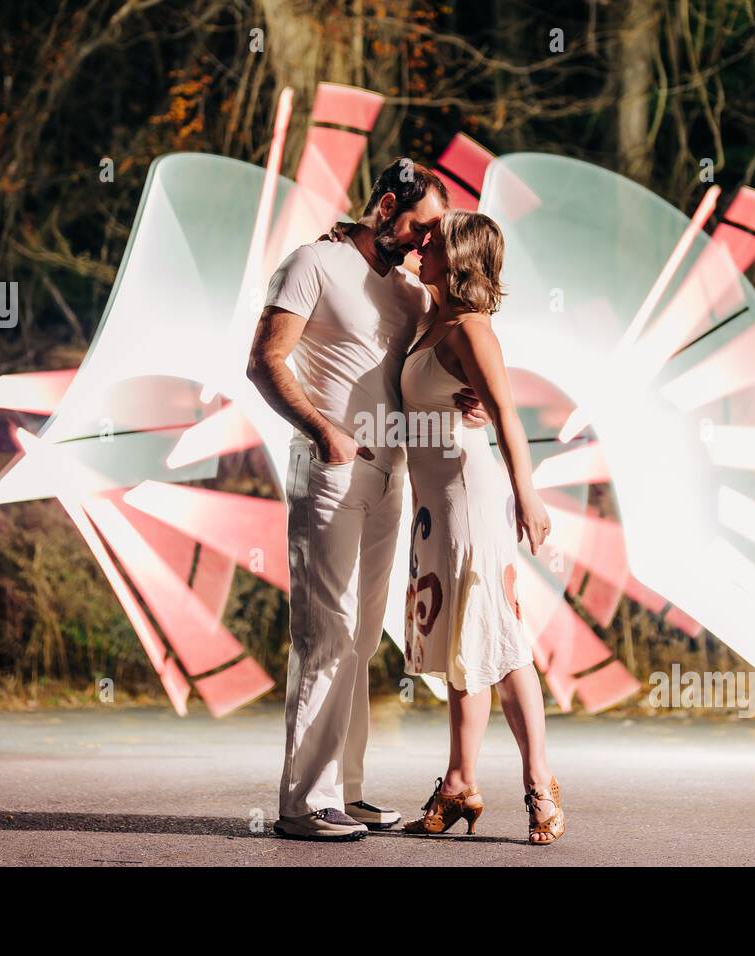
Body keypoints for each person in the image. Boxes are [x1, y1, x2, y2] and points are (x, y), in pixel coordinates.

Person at [246, 158, 488, 841]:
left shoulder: (411, 296)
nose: (426, 242)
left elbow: (426, 371)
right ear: (385, 207)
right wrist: (323, 432)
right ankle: (302, 804)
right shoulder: (311, 265)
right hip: (330, 474)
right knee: (325, 635)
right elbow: (264, 360)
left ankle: (345, 795)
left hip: (392, 481)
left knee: (357, 639)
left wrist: (464, 399)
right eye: (421, 226)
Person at [399, 208, 565, 845]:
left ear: (458, 256)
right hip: (434, 507)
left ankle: (539, 784)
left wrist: (528, 493)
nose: (422, 245)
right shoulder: (428, 315)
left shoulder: (471, 329)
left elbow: (507, 417)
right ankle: (461, 781)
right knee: (465, 644)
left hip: (472, 499)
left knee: (499, 640)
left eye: (434, 241)